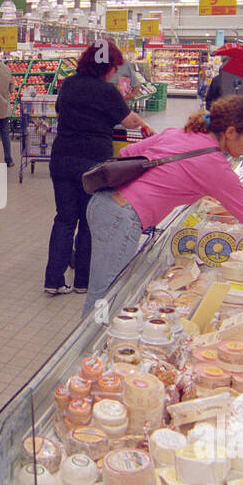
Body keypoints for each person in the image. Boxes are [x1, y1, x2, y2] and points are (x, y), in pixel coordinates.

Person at [82, 97, 243, 318]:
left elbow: (128, 152)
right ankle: (87, 355)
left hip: (104, 203)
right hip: (121, 218)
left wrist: (168, 182)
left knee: (106, 289)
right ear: (230, 132)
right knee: (106, 296)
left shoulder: (180, 133)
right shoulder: (214, 165)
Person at [45, 40, 153, 296]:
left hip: (62, 158)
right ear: (106, 66)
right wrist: (144, 125)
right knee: (88, 219)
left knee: (64, 218)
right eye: (114, 67)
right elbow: (128, 122)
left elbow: (62, 111)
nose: (116, 72)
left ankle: (54, 280)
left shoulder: (69, 84)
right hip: (93, 163)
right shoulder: (107, 91)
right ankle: (83, 281)